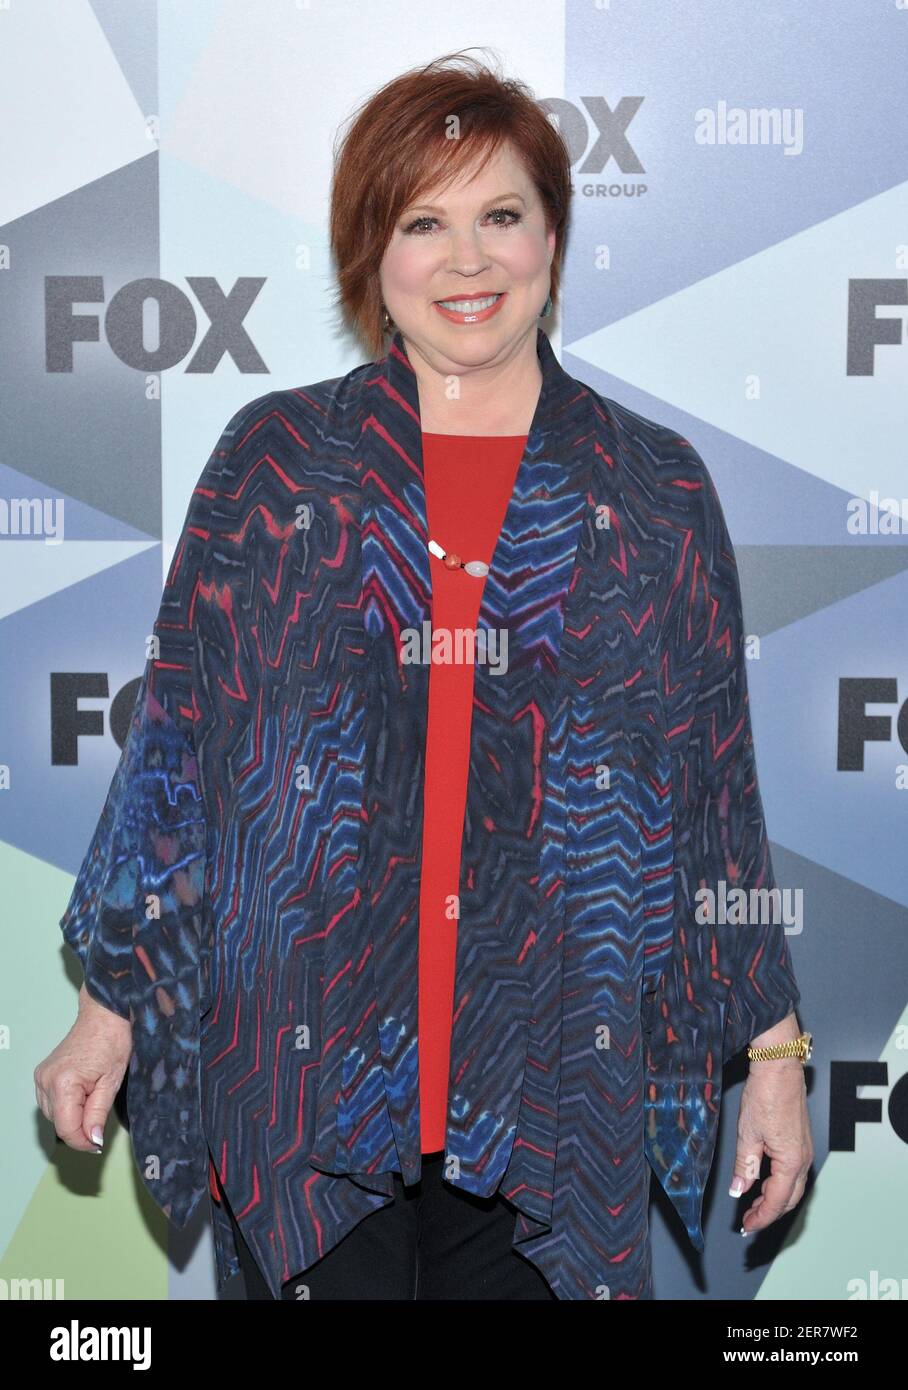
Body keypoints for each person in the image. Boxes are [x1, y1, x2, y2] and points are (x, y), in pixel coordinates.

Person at [35, 50, 813, 1301]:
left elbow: (713, 796)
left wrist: (771, 1054)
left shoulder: (651, 488)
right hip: (305, 1076)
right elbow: (179, 756)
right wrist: (111, 1008)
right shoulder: (277, 462)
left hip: (552, 1088)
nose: (466, 261)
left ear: (550, 238)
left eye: (499, 216)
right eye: (422, 224)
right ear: (371, 256)